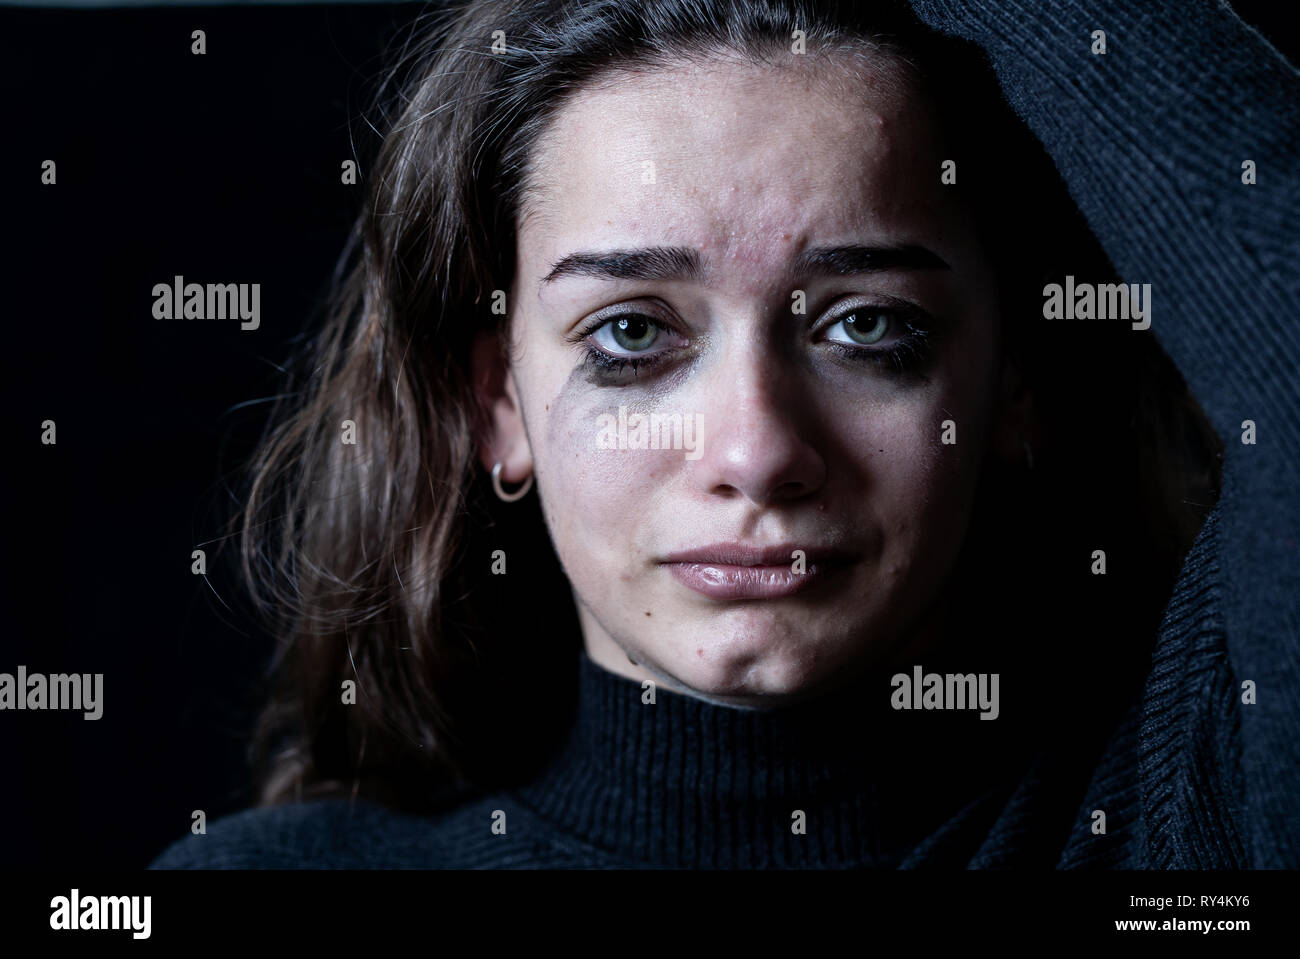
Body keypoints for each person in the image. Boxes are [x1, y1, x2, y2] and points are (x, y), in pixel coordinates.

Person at [150, 0, 1299, 869]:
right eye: (632, 333)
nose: (754, 453)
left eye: (866, 326)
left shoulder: (1178, 825)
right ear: (499, 404)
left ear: (1012, 383)